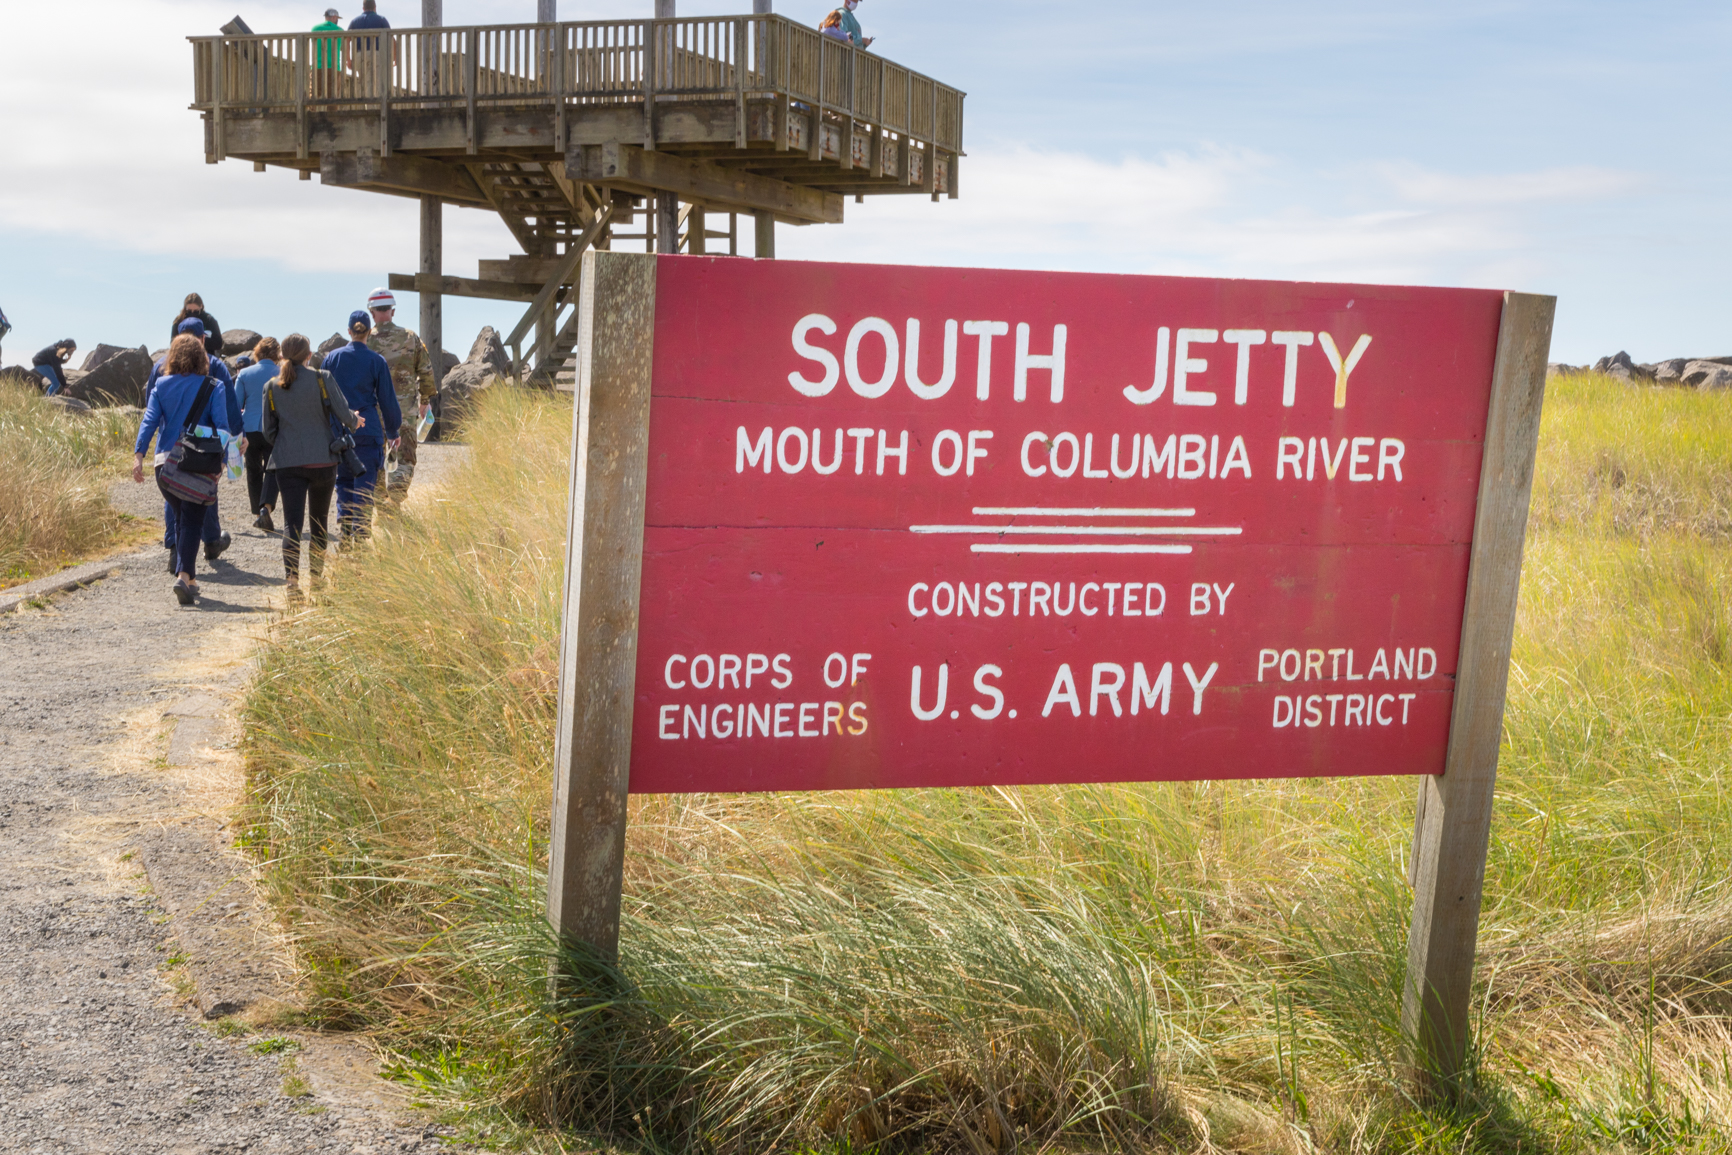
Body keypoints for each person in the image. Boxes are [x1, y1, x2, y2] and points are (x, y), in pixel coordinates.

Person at [132, 334, 243, 605]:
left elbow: (149, 422)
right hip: (196, 461)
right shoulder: (213, 386)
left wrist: (138, 456)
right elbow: (222, 428)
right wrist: (222, 463)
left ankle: (190, 580)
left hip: (164, 465)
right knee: (192, 520)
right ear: (201, 358)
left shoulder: (160, 384)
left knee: (183, 519)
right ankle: (183, 577)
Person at [262, 334, 362, 607]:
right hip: (323, 462)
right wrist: (356, 420)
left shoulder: (271, 386)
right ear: (308, 355)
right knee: (319, 523)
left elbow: (268, 432)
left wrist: (287, 442)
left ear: (281, 356)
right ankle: (317, 580)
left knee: (291, 525)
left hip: (287, 463)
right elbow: (344, 414)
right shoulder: (322, 377)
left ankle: (292, 583)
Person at [148, 319, 236, 566]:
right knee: (201, 496)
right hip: (201, 449)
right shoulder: (215, 366)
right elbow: (226, 412)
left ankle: (175, 550)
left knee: (174, 501)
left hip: (167, 449)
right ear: (203, 340)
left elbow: (150, 413)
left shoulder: (159, 370)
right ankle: (209, 543)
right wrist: (229, 447)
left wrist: (139, 452)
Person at [321, 310, 400, 544]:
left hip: (339, 431)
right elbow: (387, 400)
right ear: (369, 332)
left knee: (343, 481)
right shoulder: (377, 361)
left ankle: (345, 531)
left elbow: (324, 397)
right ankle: (361, 536)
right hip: (368, 431)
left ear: (349, 331)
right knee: (364, 485)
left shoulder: (331, 359)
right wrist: (393, 431)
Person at [362, 288, 435, 509]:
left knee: (375, 459)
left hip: (374, 413)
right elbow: (426, 371)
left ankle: (380, 501)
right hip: (404, 411)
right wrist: (425, 400)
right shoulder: (410, 337)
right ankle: (394, 502)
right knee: (404, 458)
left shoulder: (365, 341)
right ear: (392, 311)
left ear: (372, 312)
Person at [235, 337, 284, 532]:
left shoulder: (245, 373)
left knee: (253, 471)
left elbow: (236, 405)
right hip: (274, 429)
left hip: (250, 429)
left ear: (257, 352)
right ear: (277, 354)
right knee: (273, 469)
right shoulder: (283, 372)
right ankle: (266, 509)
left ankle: (257, 513)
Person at [170, 293, 225, 359]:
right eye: (189, 311)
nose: (192, 314)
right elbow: (173, 343)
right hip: (184, 359)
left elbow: (218, 343)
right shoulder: (179, 321)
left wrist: (200, 339)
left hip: (206, 359)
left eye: (196, 311)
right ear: (185, 308)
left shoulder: (209, 320)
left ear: (201, 306)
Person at [313, 8, 345, 73]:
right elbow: (342, 48)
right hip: (334, 67)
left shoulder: (314, 29)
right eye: (337, 18)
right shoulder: (340, 31)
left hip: (317, 67)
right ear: (334, 17)